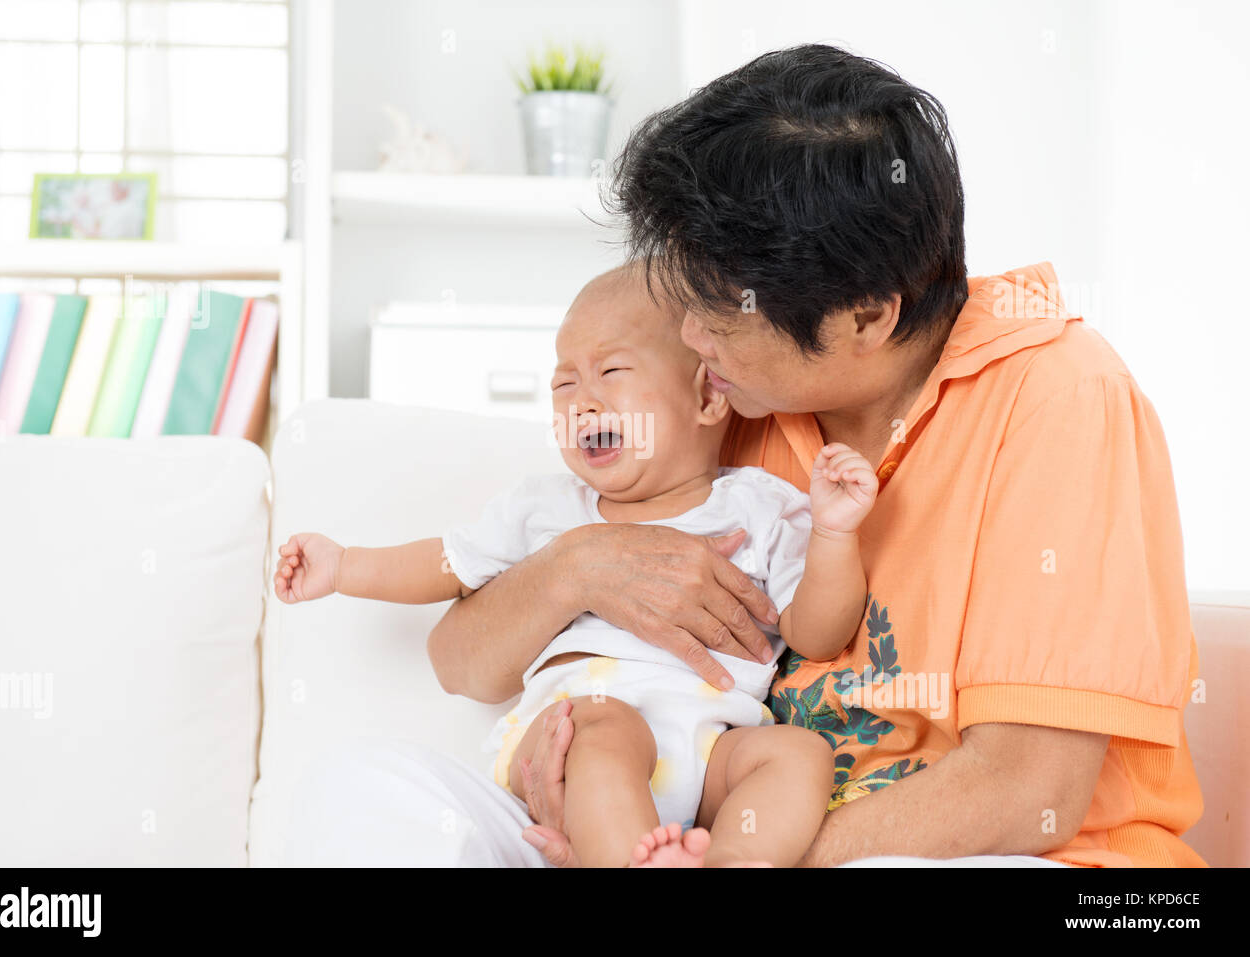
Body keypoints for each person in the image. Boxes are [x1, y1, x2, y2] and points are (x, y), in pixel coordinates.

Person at [290, 44, 1203, 868]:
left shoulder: (1059, 398)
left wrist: (748, 858)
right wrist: (577, 575)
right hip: (671, 827)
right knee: (369, 796)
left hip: (957, 853)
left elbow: (1027, 793)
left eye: (721, 311)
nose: (689, 337)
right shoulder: (727, 402)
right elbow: (464, 659)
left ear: (867, 314)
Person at [275, 264, 887, 867]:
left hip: (707, 754)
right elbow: (447, 563)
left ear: (705, 394)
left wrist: (834, 534)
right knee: (607, 728)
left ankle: (729, 861)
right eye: (563, 384)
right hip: (575, 735)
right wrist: (345, 566)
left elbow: (818, 632)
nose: (581, 400)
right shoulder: (545, 508)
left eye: (610, 371)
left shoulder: (760, 506)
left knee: (798, 754)